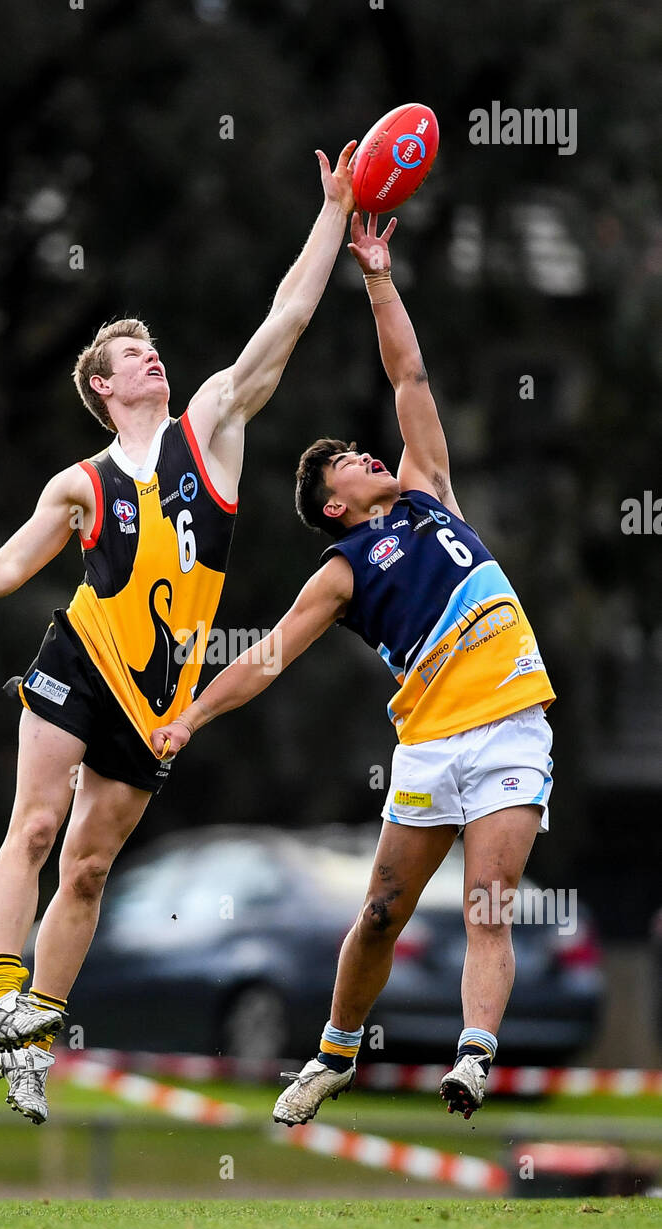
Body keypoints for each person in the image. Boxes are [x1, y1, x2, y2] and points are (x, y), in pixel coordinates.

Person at [0, 144, 357, 1124]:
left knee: (92, 867)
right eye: (131, 353)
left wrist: (333, 212)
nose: (153, 355)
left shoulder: (213, 430)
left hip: (159, 698)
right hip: (79, 656)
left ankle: (36, 1034)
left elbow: (289, 319)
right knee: (33, 825)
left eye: (153, 347)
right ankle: (0, 1005)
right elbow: (12, 565)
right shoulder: (80, 482)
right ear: (104, 387)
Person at [152, 212, 556, 1123]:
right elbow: (264, 659)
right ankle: (333, 1057)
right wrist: (189, 717)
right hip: (427, 742)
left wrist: (376, 273)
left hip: (511, 724)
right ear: (334, 504)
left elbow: (406, 372)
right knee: (379, 914)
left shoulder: (428, 490)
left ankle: (472, 1058)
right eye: (350, 463)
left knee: (488, 902)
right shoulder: (338, 574)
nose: (370, 457)